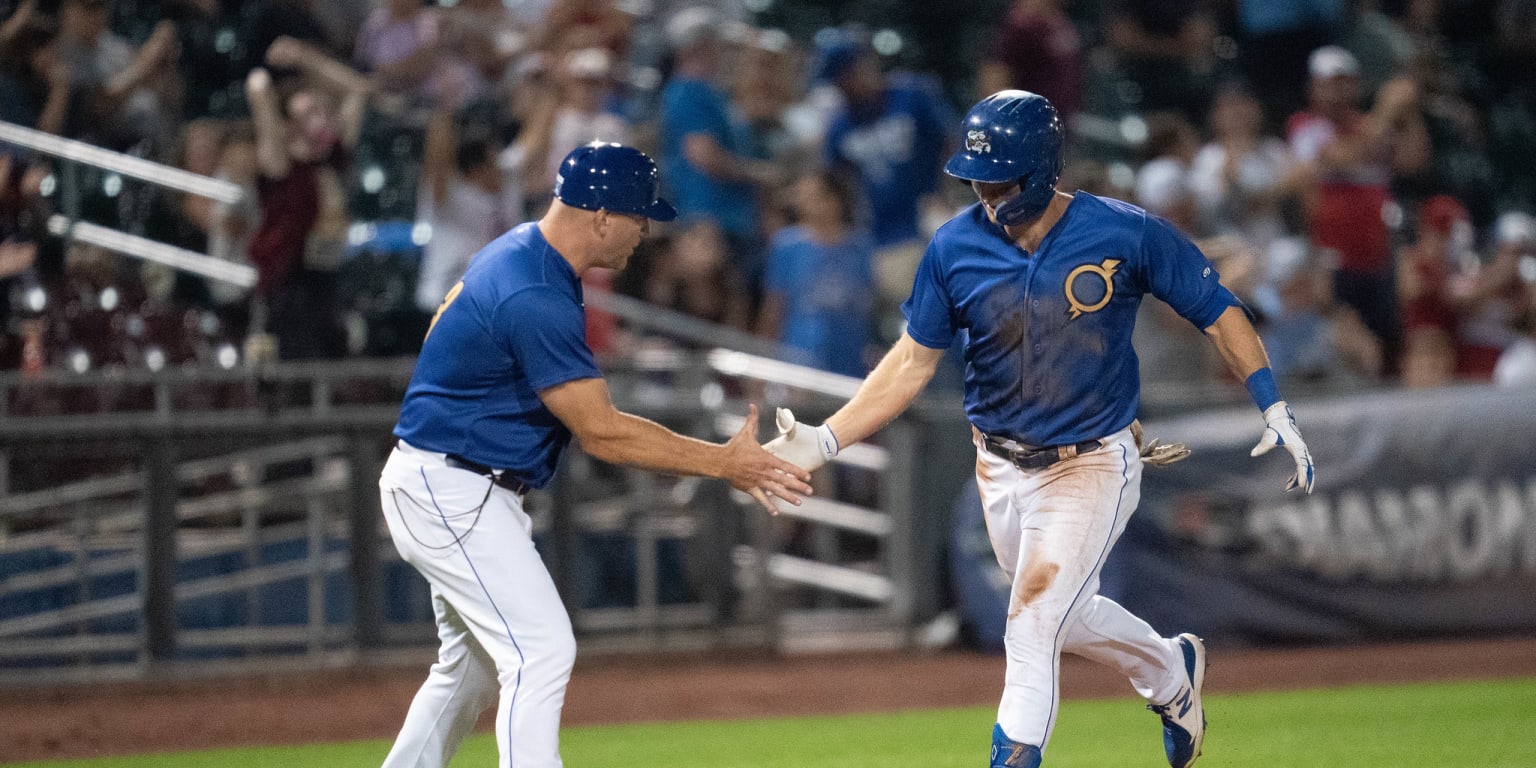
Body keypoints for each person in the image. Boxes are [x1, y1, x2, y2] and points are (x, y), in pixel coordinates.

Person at [763, 91, 1317, 768]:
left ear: (1043, 168)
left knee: (1030, 625)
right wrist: (826, 438)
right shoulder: (955, 245)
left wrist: (1272, 404)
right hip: (997, 465)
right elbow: (910, 361)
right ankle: (1170, 670)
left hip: (1092, 460)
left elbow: (1217, 309)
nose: (987, 192)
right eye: (977, 179)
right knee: (1066, 616)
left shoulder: (1123, 231)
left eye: (1001, 178)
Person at [378, 141, 812, 768]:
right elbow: (602, 433)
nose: (646, 231)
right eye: (639, 216)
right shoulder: (533, 286)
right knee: (541, 649)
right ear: (603, 216)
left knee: (468, 670)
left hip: (451, 480)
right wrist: (723, 461)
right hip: (451, 485)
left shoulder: (524, 252)